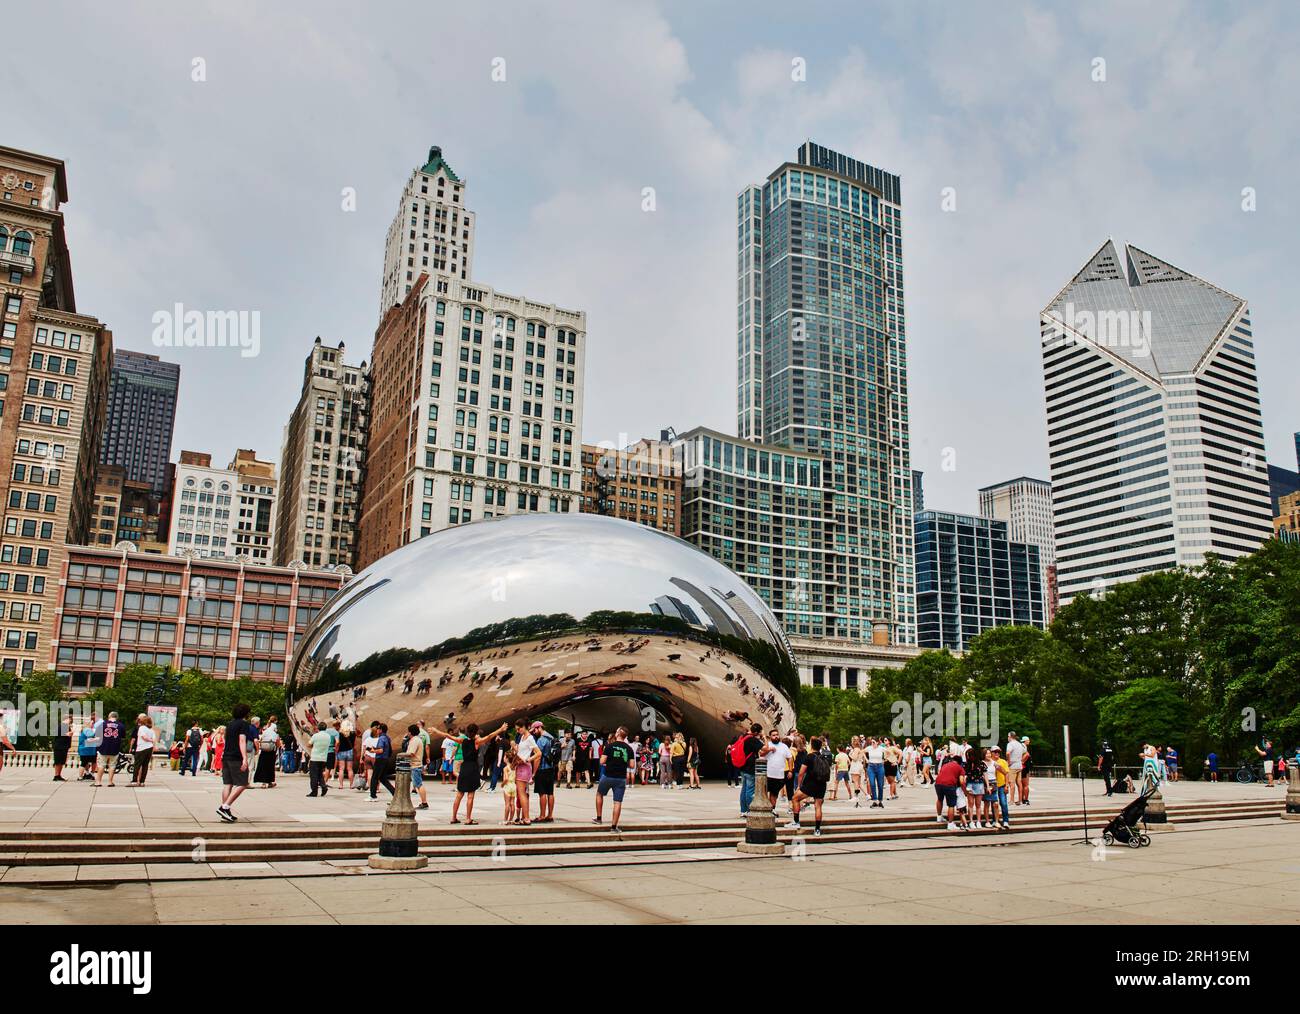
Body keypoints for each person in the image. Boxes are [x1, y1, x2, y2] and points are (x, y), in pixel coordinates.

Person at [431, 721, 507, 824]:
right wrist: (501, 729)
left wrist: (435, 731)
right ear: (476, 732)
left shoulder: (462, 740)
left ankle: (453, 817)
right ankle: (468, 818)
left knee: (459, 794)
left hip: (464, 767)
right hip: (472, 768)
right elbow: (489, 736)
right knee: (470, 795)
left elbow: (447, 735)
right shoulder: (477, 742)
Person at [786, 736, 830, 836]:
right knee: (818, 806)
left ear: (812, 746)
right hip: (822, 785)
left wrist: (799, 785)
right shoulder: (823, 757)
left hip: (810, 784)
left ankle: (796, 822)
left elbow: (801, 773)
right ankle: (817, 829)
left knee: (795, 798)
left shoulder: (809, 756)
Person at [593, 726, 634, 833]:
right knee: (617, 802)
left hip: (608, 775)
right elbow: (632, 765)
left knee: (599, 794)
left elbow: (602, 761)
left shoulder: (609, 746)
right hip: (621, 778)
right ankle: (614, 826)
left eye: (616, 731)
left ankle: (599, 818)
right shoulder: (629, 748)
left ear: (618, 734)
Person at [218, 704, 254, 822]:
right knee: (243, 783)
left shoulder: (230, 724)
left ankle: (225, 811)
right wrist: (244, 758)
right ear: (246, 714)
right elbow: (242, 740)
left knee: (228, 784)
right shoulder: (243, 724)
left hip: (226, 756)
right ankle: (225, 807)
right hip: (236, 757)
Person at [513, 719, 539, 825]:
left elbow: (538, 753)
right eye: (517, 729)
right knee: (521, 793)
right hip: (520, 766)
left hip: (524, 767)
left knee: (522, 793)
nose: (518, 730)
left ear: (525, 727)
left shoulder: (530, 738)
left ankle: (526, 818)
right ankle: (525, 817)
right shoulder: (522, 737)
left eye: (519, 728)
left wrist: (528, 759)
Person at [934, 750, 966, 831]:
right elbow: (962, 781)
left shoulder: (945, 764)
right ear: (959, 762)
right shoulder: (960, 768)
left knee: (940, 799)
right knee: (951, 805)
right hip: (949, 785)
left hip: (938, 783)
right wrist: (965, 791)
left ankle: (939, 817)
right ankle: (950, 824)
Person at [760, 729, 792, 812]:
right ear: (770, 737)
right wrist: (769, 749)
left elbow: (790, 758)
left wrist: (790, 770)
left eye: (777, 734)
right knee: (764, 793)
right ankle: (764, 808)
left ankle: (772, 809)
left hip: (779, 775)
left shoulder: (784, 746)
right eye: (774, 735)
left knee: (774, 794)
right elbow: (760, 754)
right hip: (767, 774)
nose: (776, 736)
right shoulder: (767, 745)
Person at [532, 722, 557, 822]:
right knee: (550, 792)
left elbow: (538, 758)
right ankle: (550, 815)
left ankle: (542, 815)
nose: (534, 732)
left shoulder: (541, 740)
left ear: (539, 728)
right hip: (551, 768)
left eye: (534, 730)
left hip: (542, 769)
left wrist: (534, 772)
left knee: (542, 793)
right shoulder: (551, 737)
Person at [94, 711, 125, 787]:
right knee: (112, 765)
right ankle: (110, 782)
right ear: (117, 717)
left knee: (101, 765)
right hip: (115, 748)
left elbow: (97, 737)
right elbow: (123, 737)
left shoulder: (102, 725)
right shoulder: (121, 725)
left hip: (103, 748)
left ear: (109, 717)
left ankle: (98, 781)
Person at [404, 724, 429, 809]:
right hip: (415, 765)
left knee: (418, 784)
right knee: (417, 783)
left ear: (410, 732)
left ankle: (424, 803)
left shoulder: (415, 740)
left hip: (415, 765)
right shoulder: (416, 739)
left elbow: (411, 753)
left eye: (408, 731)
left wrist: (402, 755)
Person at [128, 714, 157, 786]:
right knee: (145, 765)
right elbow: (154, 739)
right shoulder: (151, 730)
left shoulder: (141, 728)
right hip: (149, 748)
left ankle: (134, 781)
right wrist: (152, 742)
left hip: (141, 748)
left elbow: (143, 737)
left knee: (137, 765)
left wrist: (149, 740)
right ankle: (142, 782)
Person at [306, 722, 333, 797]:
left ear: (318, 728)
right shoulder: (328, 736)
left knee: (314, 775)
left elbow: (309, 744)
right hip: (323, 758)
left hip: (315, 757)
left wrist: (314, 746)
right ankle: (323, 786)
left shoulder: (316, 736)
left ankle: (314, 792)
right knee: (320, 774)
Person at [368, 723, 395, 799]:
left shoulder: (381, 738)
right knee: (383, 779)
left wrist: (372, 751)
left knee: (374, 778)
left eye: (378, 729)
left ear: (381, 730)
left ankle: (373, 796)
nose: (377, 730)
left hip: (380, 759)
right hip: (386, 759)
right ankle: (394, 792)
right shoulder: (387, 737)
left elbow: (380, 750)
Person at [253, 716, 280, 788]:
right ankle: (270, 781)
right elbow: (278, 743)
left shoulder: (265, 731)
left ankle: (263, 783)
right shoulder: (275, 734)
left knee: (263, 766)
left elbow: (261, 740)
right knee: (270, 767)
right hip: (271, 751)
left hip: (264, 751)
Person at [865, 737, 886, 808]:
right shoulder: (869, 748)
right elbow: (862, 752)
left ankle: (880, 801)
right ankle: (874, 800)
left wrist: (885, 759)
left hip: (880, 767)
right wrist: (866, 759)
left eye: (874, 742)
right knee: (872, 783)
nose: (872, 743)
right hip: (871, 767)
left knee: (880, 785)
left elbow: (889, 752)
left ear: (877, 742)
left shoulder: (881, 748)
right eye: (871, 742)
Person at [1018, 736, 1033, 805]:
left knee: (1021, 785)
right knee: (1026, 785)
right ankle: (1025, 799)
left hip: (1022, 767)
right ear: (1025, 741)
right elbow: (1027, 755)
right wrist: (1022, 762)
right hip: (1024, 767)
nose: (1029, 741)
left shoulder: (1022, 746)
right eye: (1028, 740)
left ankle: (1022, 799)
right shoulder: (1023, 747)